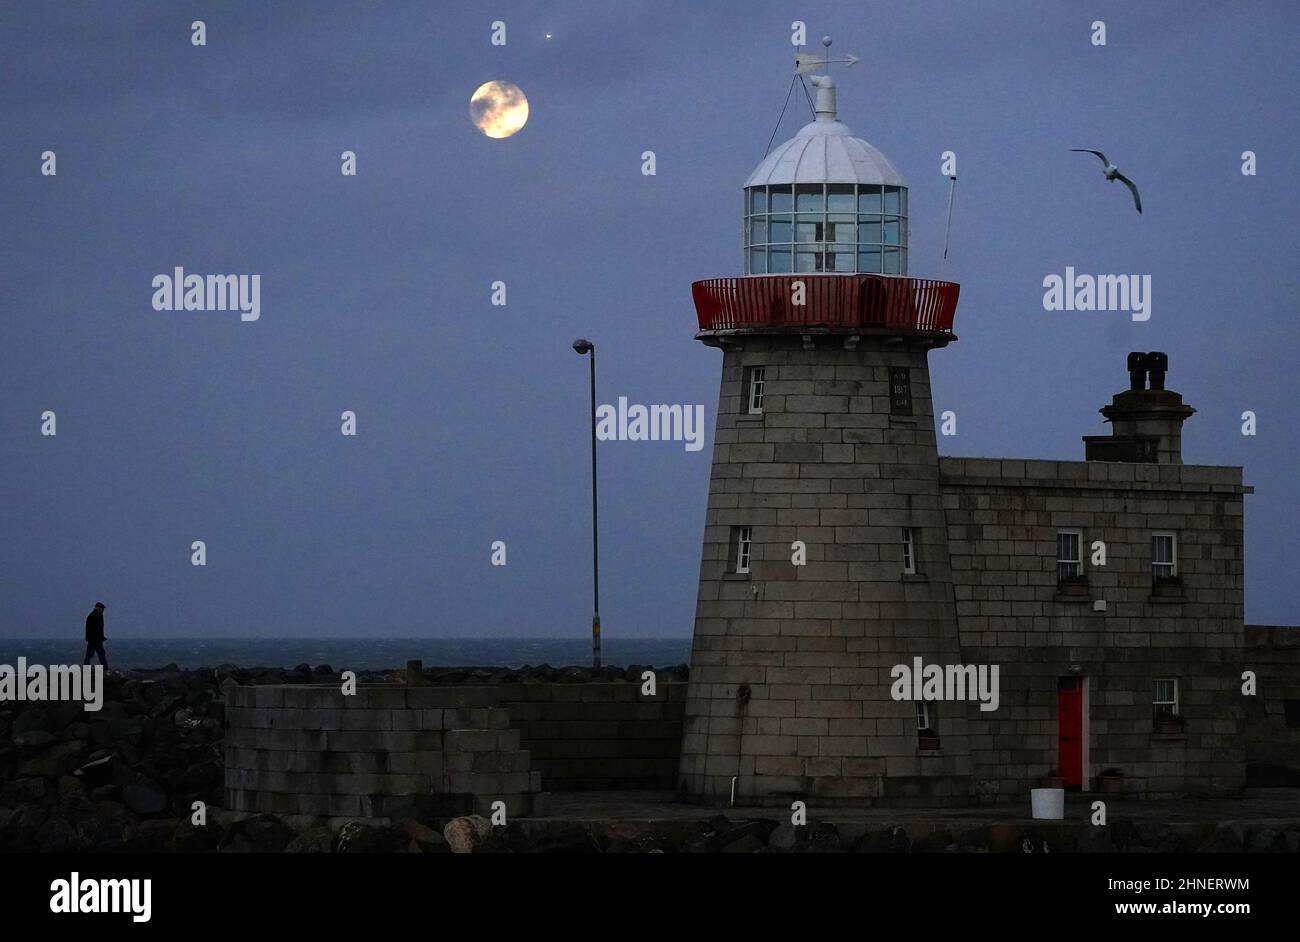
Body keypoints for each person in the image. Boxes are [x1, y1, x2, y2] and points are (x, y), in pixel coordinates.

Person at [84, 601, 108, 668]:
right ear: (99, 608)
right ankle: (105, 668)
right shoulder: (97, 616)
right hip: (96, 640)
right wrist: (100, 638)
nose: (103, 610)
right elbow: (97, 629)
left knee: (90, 654)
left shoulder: (92, 615)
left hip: (93, 639)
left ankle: (86, 667)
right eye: (102, 609)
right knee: (100, 654)